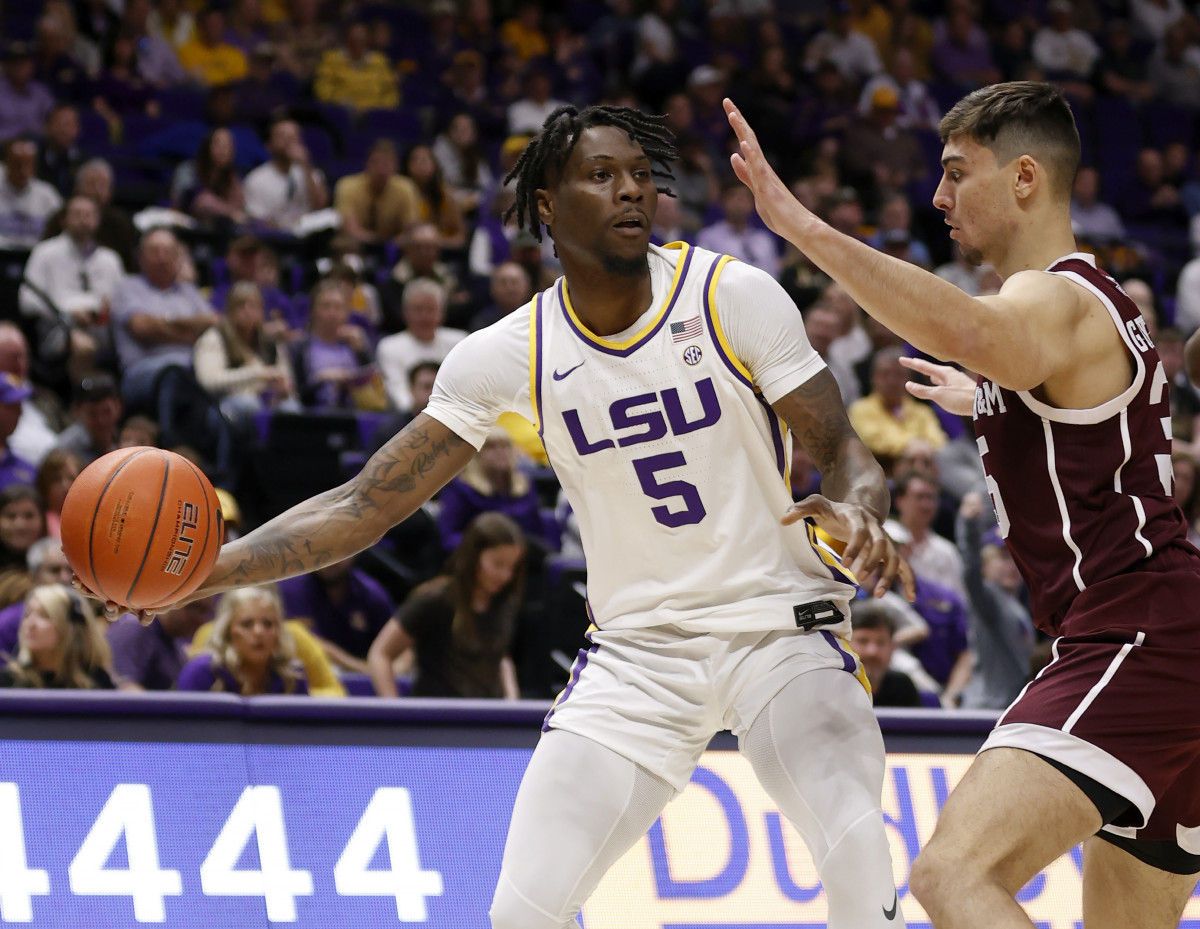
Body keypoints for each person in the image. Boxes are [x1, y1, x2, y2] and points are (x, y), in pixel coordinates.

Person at [110, 104, 912, 929]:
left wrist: (861, 512)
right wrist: (205, 572)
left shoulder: (729, 294)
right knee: (522, 912)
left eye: (640, 173)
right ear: (547, 208)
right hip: (639, 658)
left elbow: (842, 446)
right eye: (602, 175)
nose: (631, 189)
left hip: (777, 628)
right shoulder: (508, 353)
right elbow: (363, 504)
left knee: (856, 851)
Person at [728, 80, 1200, 927]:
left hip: (1133, 635)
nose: (938, 196)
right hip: (1168, 645)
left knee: (952, 875)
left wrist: (800, 227)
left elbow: (984, 333)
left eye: (956, 173)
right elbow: (1037, 387)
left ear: (1025, 178)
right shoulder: (1074, 315)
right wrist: (982, 397)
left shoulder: (1061, 298)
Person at [367, 512, 525, 699]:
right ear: (473, 556)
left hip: (487, 719)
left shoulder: (505, 603)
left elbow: (500, 657)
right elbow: (380, 653)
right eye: (498, 565)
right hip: (437, 719)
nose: (506, 576)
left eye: (512, 567)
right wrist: (393, 712)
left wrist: (512, 701)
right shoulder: (435, 599)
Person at [176, 586, 307, 695]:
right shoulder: (201, 672)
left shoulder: (293, 676)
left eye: (268, 624)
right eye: (247, 624)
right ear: (228, 630)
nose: (259, 632)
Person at [279, 555, 394, 674]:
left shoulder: (372, 593)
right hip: (309, 675)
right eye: (325, 549)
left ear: (356, 550)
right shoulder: (291, 589)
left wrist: (397, 669)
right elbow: (304, 641)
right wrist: (362, 668)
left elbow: (401, 635)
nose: (332, 557)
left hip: (366, 680)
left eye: (341, 550)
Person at [376, 279, 465, 411]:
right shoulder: (389, 347)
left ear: (441, 313)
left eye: (430, 310)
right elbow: (397, 390)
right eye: (418, 309)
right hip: (409, 419)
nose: (424, 316)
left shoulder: (459, 342)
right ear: (405, 312)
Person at [0, 585, 113, 689]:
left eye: (44, 616)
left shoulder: (97, 680)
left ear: (71, 628)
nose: (30, 624)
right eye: (27, 614)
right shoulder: (8, 682)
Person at [0, 537, 73, 655]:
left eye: (71, 570)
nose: (65, 578)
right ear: (33, 577)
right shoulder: (7, 622)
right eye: (54, 570)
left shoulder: (81, 615)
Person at [849, 597, 923, 707]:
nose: (872, 652)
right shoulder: (828, 686)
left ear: (892, 647)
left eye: (881, 642)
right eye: (863, 641)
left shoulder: (903, 687)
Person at [53, 372, 121, 466]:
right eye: (92, 414)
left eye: (106, 412)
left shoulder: (128, 440)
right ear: (77, 412)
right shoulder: (66, 450)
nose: (101, 421)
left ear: (118, 408)